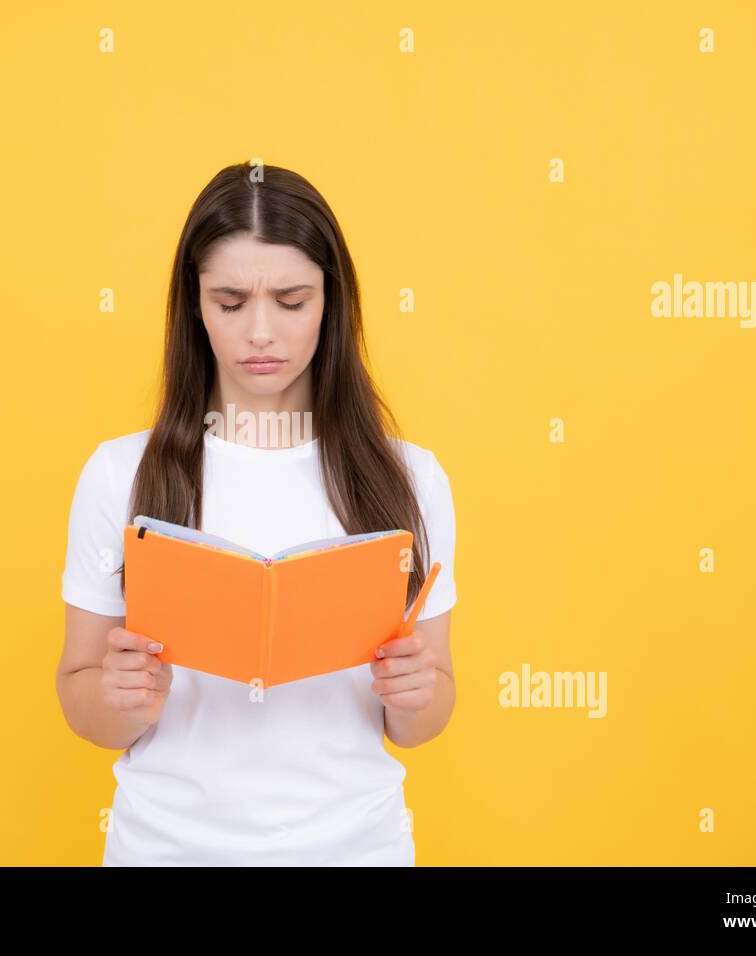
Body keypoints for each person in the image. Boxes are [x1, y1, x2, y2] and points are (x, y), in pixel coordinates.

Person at [55, 162, 457, 865]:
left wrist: (418, 691)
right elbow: (80, 697)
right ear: (195, 305)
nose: (261, 333)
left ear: (333, 303)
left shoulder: (409, 478)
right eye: (231, 301)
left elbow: (421, 720)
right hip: (166, 847)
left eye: (293, 300)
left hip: (354, 846)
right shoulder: (119, 473)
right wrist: (121, 698)